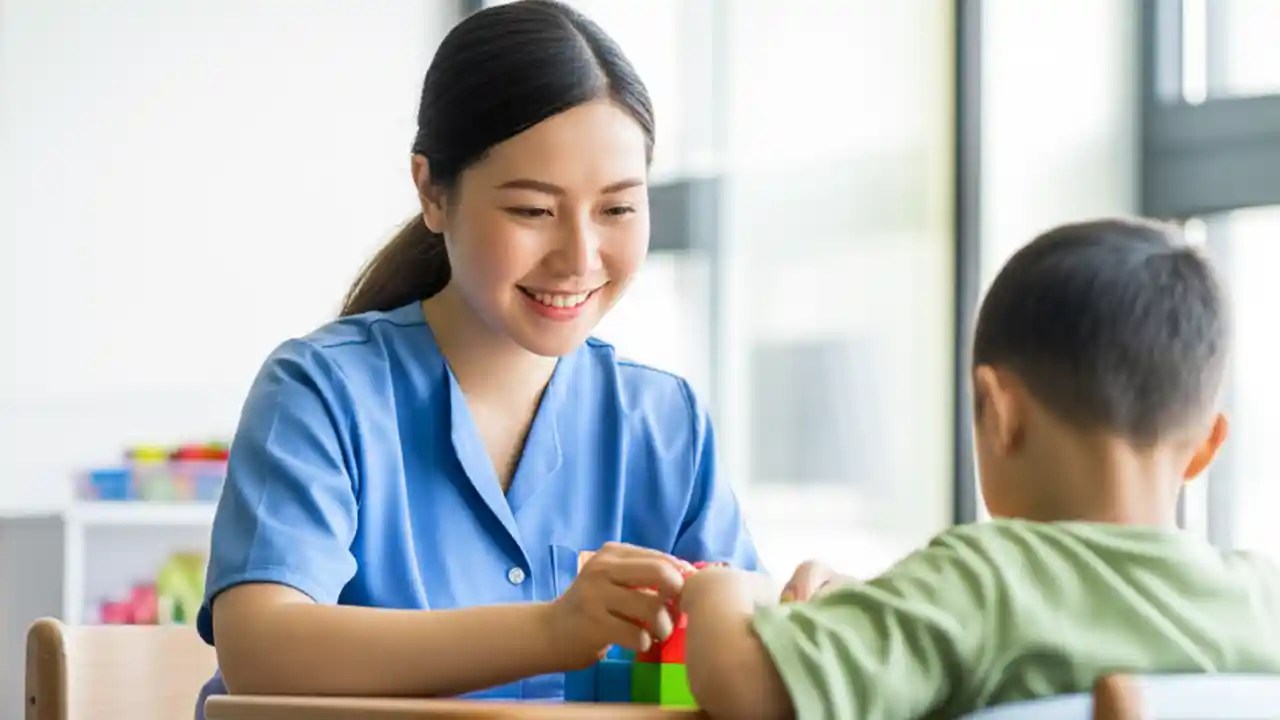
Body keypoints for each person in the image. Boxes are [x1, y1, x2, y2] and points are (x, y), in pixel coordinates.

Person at [193, 1, 759, 715]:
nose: (579, 258)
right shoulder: (324, 391)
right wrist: (553, 630)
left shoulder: (664, 419)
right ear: (432, 191)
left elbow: (736, 647)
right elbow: (261, 651)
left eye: (617, 210)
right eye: (532, 210)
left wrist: (810, 617)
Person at [680, 218, 1280, 719]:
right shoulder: (1261, 600)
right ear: (1207, 445)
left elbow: (747, 687)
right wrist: (877, 606)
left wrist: (719, 591)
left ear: (998, 411)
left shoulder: (984, 583)